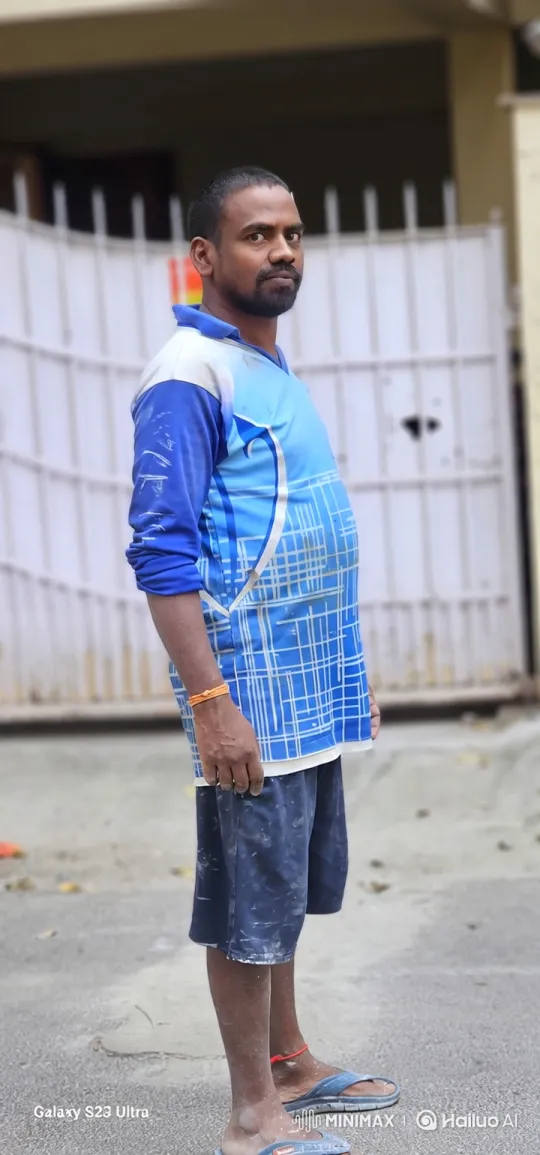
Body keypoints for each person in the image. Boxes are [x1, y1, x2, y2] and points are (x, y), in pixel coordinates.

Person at [126, 167, 399, 1155]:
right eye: (256, 236)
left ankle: (289, 1062)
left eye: (290, 233)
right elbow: (161, 550)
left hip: (305, 687)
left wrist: (345, 677)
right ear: (205, 257)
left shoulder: (263, 365)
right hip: (246, 688)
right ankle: (252, 1116)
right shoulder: (187, 375)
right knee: (249, 905)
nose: (281, 251)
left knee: (284, 889)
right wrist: (210, 699)